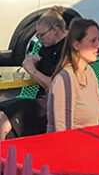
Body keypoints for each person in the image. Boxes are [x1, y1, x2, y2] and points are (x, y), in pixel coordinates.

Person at [0, 9, 68, 139]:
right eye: (38, 36)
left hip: (53, 103)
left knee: (10, 116)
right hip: (41, 99)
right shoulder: (47, 46)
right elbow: (42, 69)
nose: (40, 39)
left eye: (42, 35)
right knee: (6, 113)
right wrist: (35, 63)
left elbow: (54, 85)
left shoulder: (66, 49)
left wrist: (32, 70)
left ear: (55, 30)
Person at [47, 18, 99, 133]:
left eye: (98, 40)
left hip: (90, 142)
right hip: (72, 147)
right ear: (76, 45)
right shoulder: (64, 80)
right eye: (93, 41)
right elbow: (62, 132)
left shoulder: (89, 72)